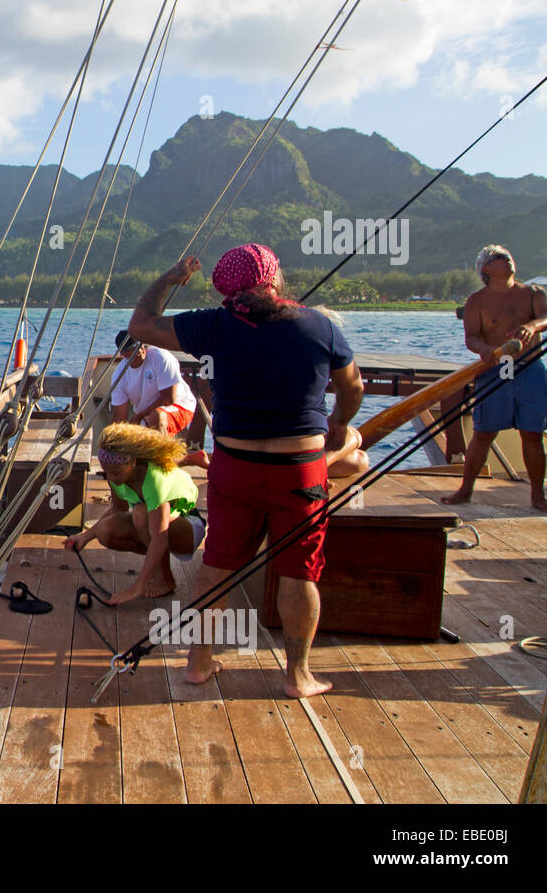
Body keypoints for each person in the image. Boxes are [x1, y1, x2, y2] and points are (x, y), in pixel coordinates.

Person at [128, 243, 364, 697]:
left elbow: (141, 323)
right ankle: (298, 676)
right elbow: (351, 386)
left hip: (234, 467)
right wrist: (339, 422)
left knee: (217, 564)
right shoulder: (319, 326)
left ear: (225, 291)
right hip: (298, 471)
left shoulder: (213, 326)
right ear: (274, 279)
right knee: (299, 572)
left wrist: (171, 277)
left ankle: (198, 664)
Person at [441, 244, 547, 512]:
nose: (507, 259)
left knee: (532, 433)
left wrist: (531, 326)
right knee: (484, 432)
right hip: (497, 368)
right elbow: (471, 337)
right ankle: (465, 490)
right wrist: (484, 350)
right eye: (498, 258)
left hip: (530, 367)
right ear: (486, 269)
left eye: (508, 256)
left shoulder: (534, 293)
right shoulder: (477, 301)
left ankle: (538, 497)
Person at [63, 423, 205, 604]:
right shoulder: (116, 475)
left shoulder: (154, 478)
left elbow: (160, 537)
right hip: (157, 525)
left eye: (115, 472)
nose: (112, 478)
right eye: (107, 473)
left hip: (189, 528)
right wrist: (85, 537)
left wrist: (137, 588)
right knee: (105, 531)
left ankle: (165, 579)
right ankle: (157, 567)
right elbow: (118, 509)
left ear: (133, 461)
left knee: (140, 513)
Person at [110, 330, 198, 436]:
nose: (138, 351)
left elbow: (168, 399)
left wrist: (138, 416)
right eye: (131, 348)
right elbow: (119, 418)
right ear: (123, 354)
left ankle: (162, 451)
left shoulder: (161, 358)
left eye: (139, 345)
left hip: (180, 406)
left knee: (156, 415)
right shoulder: (119, 375)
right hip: (146, 417)